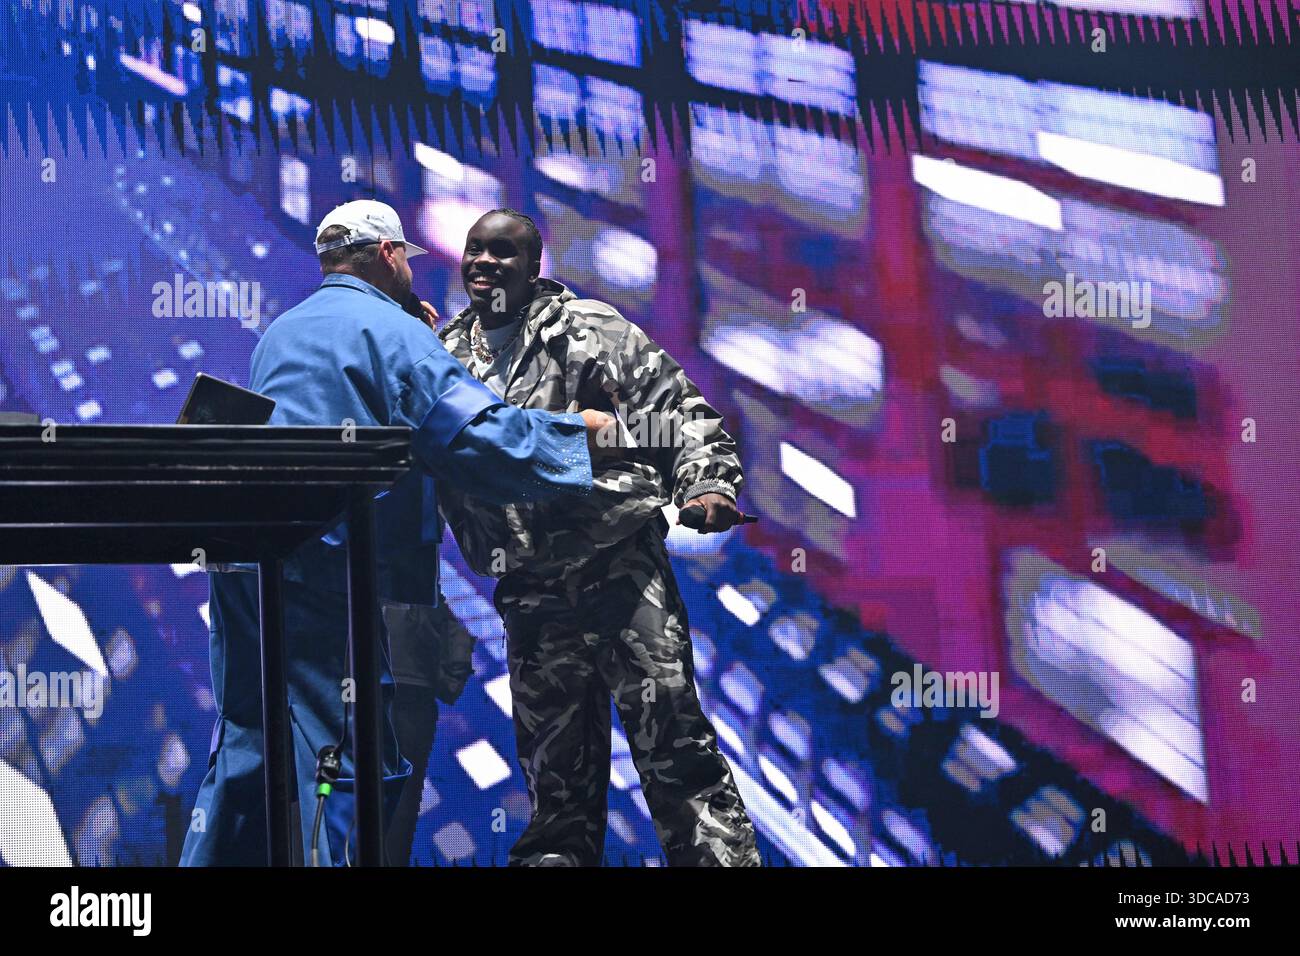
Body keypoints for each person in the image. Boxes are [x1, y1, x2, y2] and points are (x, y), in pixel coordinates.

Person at [180, 200, 615, 866]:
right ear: (388, 255)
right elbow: (478, 438)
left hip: (243, 562)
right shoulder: (393, 333)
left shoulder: (285, 330)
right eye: (406, 261)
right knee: (332, 757)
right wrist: (577, 438)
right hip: (314, 566)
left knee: (250, 741)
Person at [436, 208, 761, 866]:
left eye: (503, 252)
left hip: (617, 564)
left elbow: (677, 411)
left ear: (533, 266)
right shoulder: (443, 357)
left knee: (674, 747)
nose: (485, 262)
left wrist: (707, 485)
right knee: (555, 779)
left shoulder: (588, 329)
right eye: (476, 250)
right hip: (528, 585)